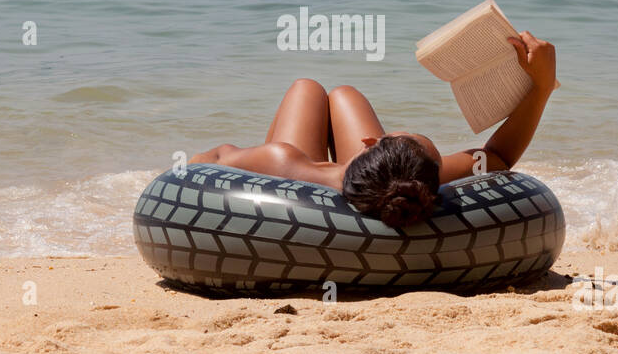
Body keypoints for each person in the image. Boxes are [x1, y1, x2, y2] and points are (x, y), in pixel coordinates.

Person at [188, 32, 556, 228]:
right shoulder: (427, 180)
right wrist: (541, 87)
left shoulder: (285, 164)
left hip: (312, 177)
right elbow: (500, 157)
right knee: (343, 93)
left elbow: (209, 160)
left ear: (369, 144)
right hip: (367, 185)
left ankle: (312, 91)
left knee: (306, 88)